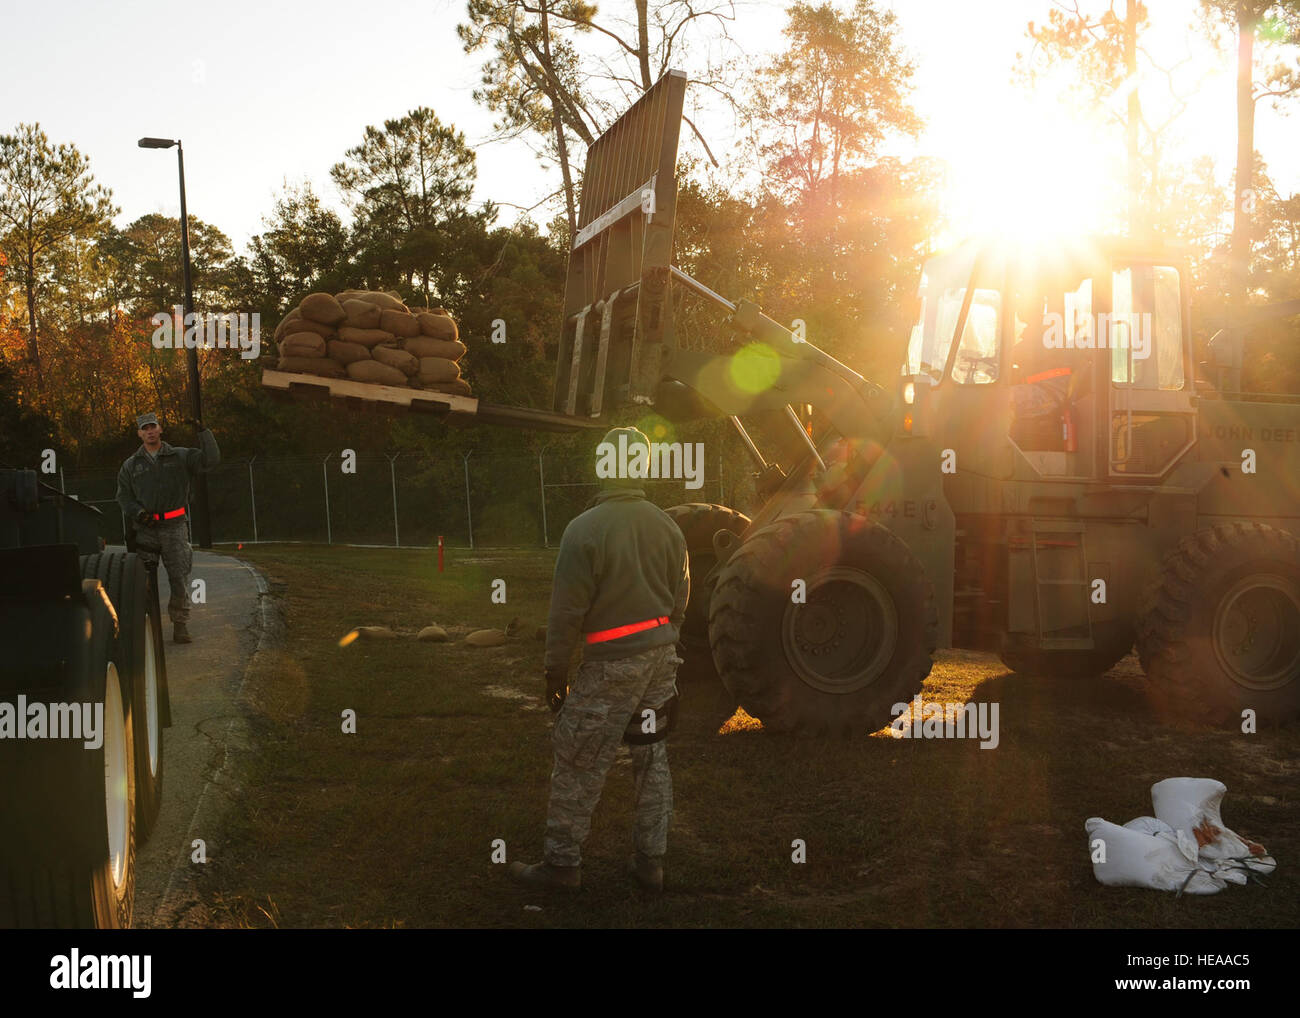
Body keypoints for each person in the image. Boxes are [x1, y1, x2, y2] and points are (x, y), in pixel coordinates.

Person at [508, 427, 689, 893]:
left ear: (602, 466)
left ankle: (562, 866)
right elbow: (681, 598)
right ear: (643, 467)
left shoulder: (583, 529)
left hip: (610, 666)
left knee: (579, 757)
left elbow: (566, 612)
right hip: (660, 661)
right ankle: (652, 863)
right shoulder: (667, 525)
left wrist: (555, 671)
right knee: (651, 757)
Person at [116, 411, 220, 643]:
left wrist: (204, 434)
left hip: (174, 527)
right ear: (139, 434)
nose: (150, 431)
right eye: (145, 428)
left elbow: (210, 461)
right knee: (143, 582)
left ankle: (180, 624)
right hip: (145, 530)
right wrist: (139, 514)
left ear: (160, 429)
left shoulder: (180, 456)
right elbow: (123, 496)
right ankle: (147, 626)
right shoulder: (131, 466)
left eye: (153, 426)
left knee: (179, 577)